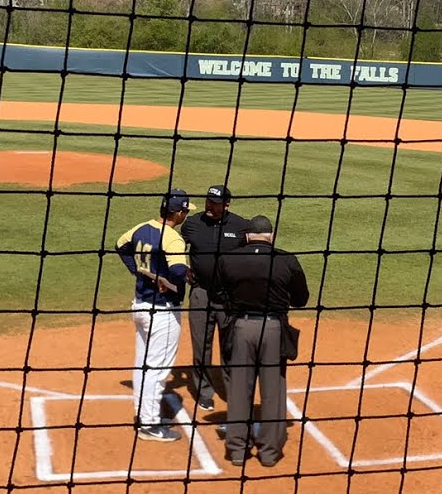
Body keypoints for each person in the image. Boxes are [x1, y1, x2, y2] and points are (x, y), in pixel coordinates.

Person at [214, 214, 309, 467]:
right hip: (273, 329)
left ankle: (236, 450)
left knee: (239, 390)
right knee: (273, 392)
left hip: (241, 328)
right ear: (272, 236)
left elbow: (220, 293)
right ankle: (268, 453)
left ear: (247, 237)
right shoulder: (285, 259)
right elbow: (301, 299)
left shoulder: (229, 259)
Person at [115, 189, 194, 442]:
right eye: (184, 211)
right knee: (158, 371)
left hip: (140, 306)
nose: (185, 215)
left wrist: (139, 272)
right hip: (163, 312)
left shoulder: (141, 228)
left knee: (143, 364)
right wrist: (185, 276)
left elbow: (120, 246)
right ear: (178, 213)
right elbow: (179, 270)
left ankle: (142, 412)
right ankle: (149, 424)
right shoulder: (172, 239)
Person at [179, 184, 250, 412]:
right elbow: (174, 245)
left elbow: (256, 250)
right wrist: (181, 267)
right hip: (200, 293)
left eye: (216, 203)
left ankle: (233, 392)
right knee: (201, 347)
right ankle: (204, 391)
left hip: (229, 297)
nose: (210, 206)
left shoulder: (240, 226)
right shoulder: (192, 224)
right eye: (209, 201)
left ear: (227, 205)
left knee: (230, 347)